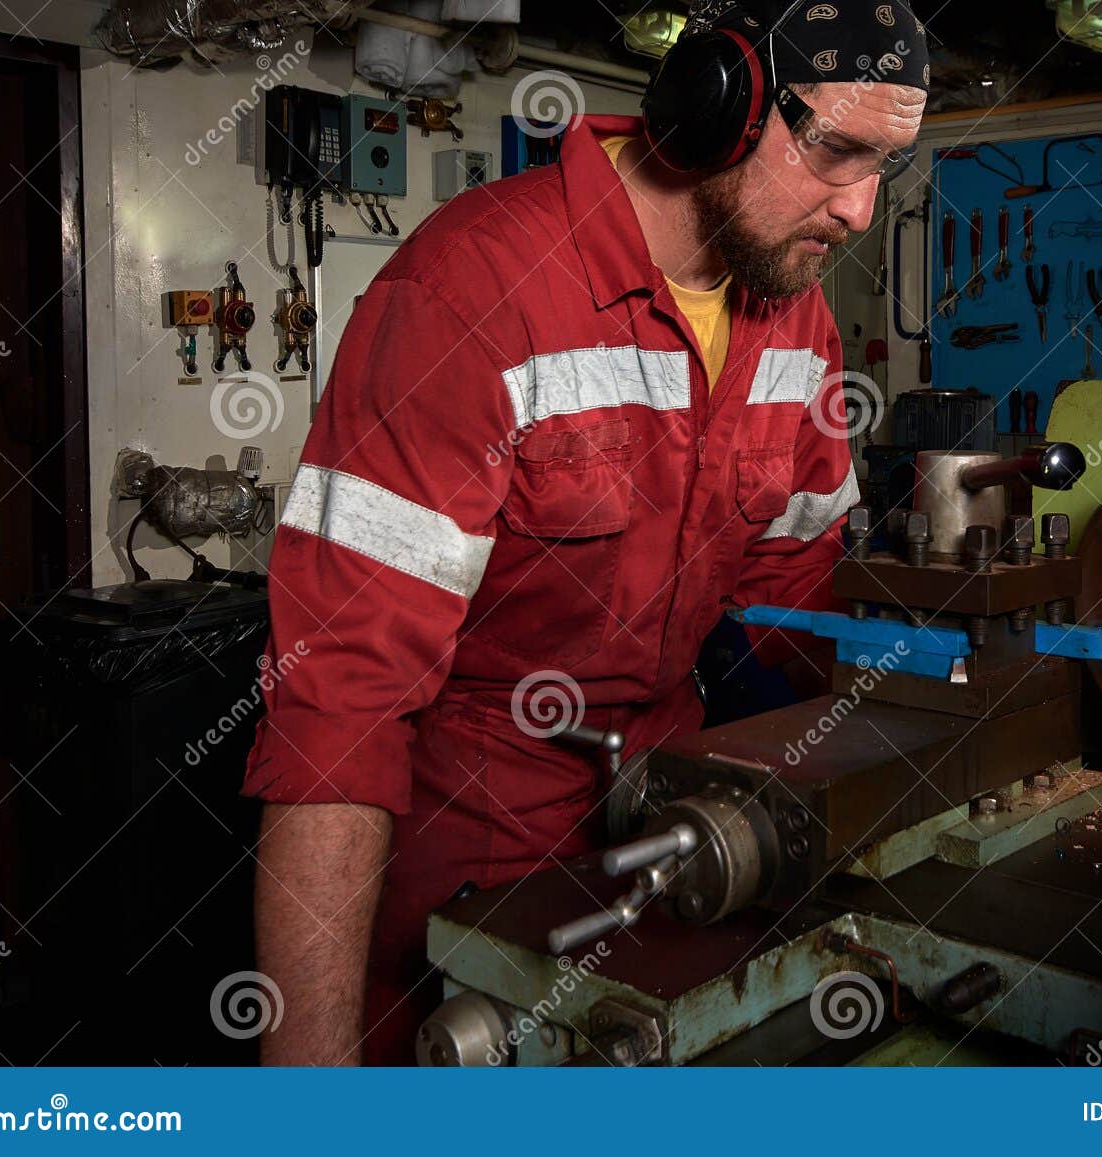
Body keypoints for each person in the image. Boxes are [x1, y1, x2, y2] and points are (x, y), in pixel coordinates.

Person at [243, 0, 929, 1064]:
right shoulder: (469, 293)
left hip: (679, 812)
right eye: (836, 150)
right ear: (719, 102)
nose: (858, 209)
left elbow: (799, 608)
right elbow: (338, 703)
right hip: (473, 836)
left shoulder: (791, 310)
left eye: (887, 163)